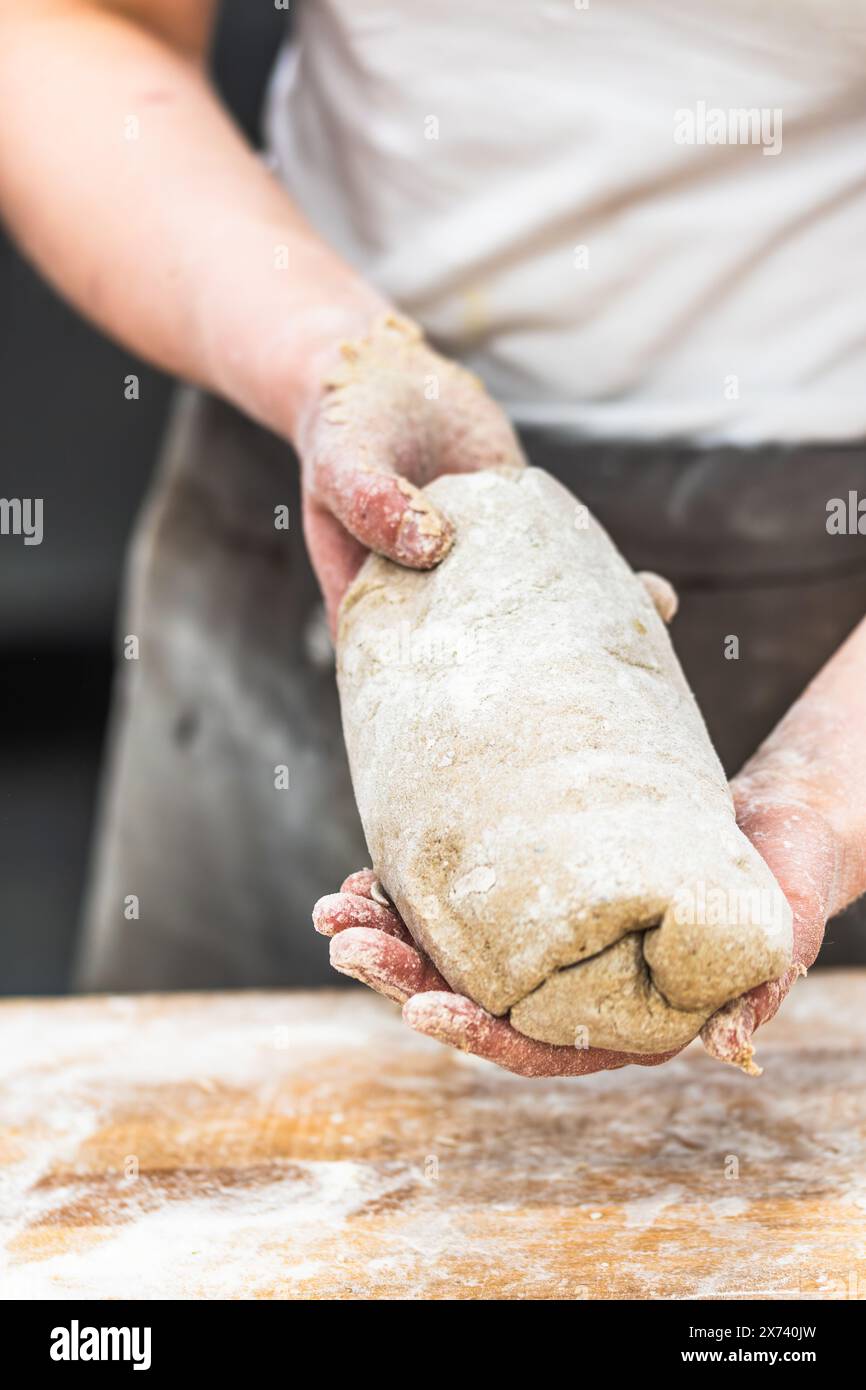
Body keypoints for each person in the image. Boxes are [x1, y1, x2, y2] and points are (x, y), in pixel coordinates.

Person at [2, 0, 864, 1074]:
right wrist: (331, 361)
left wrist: (825, 796)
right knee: (217, 1178)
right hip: (317, 466)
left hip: (824, 596)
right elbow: (73, 22)